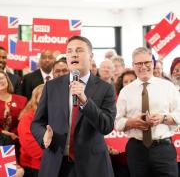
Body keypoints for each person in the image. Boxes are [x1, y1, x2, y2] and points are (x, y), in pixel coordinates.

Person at [30, 36, 116, 177]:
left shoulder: (106, 89)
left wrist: (85, 101)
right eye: (69, 51)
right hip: (56, 163)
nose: (73, 54)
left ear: (91, 56)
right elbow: (37, 123)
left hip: (92, 166)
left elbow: (106, 126)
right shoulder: (51, 86)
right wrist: (43, 136)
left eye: (79, 50)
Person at [115, 47, 180, 177]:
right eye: (139, 63)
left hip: (163, 149)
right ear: (133, 65)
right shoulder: (125, 91)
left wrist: (163, 118)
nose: (143, 66)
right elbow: (118, 122)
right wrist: (132, 122)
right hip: (136, 150)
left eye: (147, 62)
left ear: (153, 63)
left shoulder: (168, 87)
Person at [18, 84, 44, 177]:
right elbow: (30, 145)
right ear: (36, 98)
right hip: (34, 166)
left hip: (55, 164)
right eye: (43, 95)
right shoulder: (27, 117)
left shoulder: (57, 115)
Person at [0, 70, 27, 158]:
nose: (0, 81)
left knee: (17, 171)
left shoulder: (22, 100)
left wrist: (16, 135)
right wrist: (5, 134)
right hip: (1, 143)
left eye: (1, 78)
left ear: (7, 79)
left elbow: (26, 122)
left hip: (19, 144)